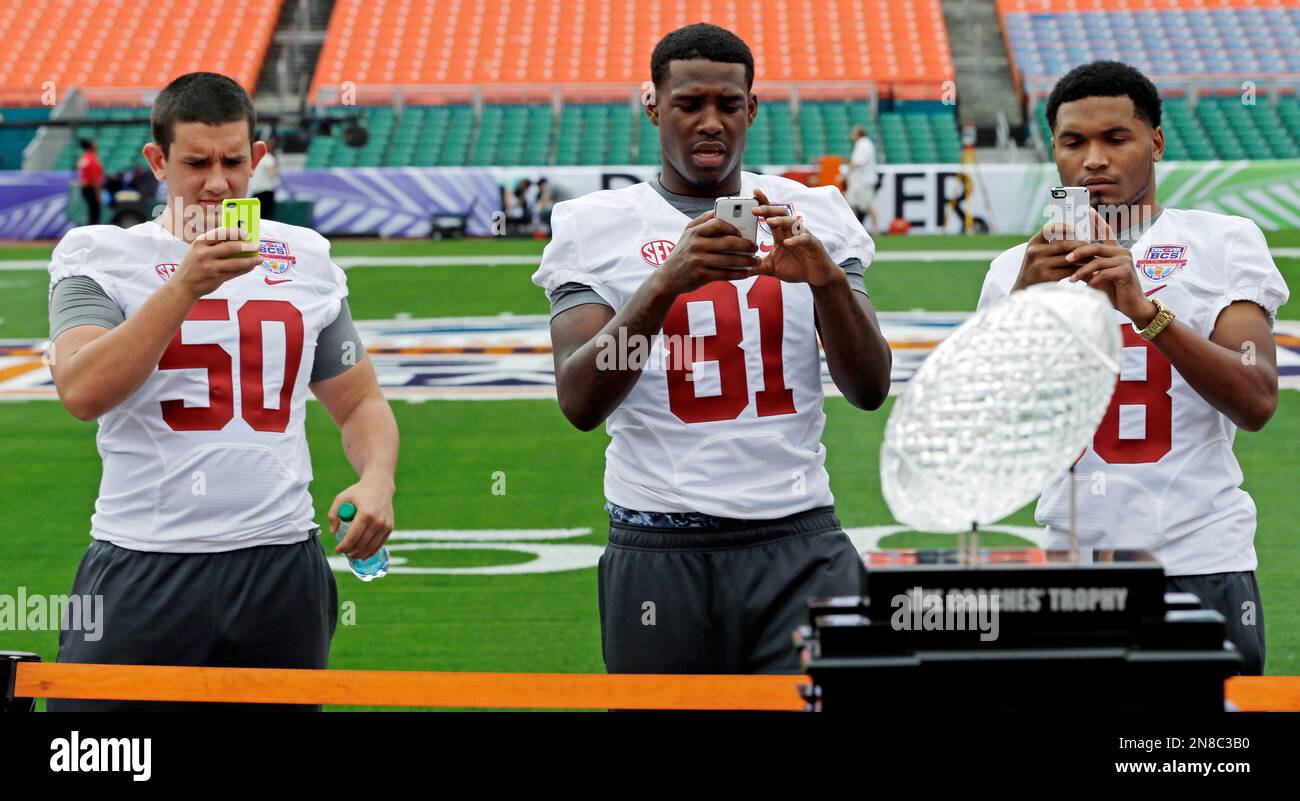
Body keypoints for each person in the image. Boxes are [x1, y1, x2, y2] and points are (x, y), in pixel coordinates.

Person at [533, 23, 892, 674]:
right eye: (688, 104)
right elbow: (580, 399)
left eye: (728, 105)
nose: (710, 123)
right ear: (652, 106)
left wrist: (828, 280)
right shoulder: (593, 225)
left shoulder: (814, 209)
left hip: (798, 536)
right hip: (658, 544)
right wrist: (666, 282)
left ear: (752, 109)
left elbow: (869, 388)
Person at [44, 72, 400, 710]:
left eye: (234, 161)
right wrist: (184, 286)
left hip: (279, 564)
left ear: (258, 159)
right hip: (144, 557)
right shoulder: (100, 253)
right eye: (196, 162)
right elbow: (81, 390)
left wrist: (377, 478)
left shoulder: (305, 257)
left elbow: (359, 401)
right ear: (158, 161)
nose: (216, 181)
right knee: (104, 754)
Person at [977, 61, 1289, 675]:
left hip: (1196, 560)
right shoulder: (1016, 267)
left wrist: (1145, 310)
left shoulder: (1222, 241)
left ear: (1155, 142)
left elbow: (1256, 399)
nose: (1093, 159)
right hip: (1070, 566)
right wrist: (1022, 304)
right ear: (1056, 154)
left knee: (1200, 761)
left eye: (1115, 138)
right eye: (1074, 142)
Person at [846, 124, 877, 232]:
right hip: (858, 181)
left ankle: (875, 229)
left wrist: (845, 174)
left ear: (857, 134)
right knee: (853, 205)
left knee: (868, 205)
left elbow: (858, 162)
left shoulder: (864, 144)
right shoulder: (862, 144)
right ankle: (854, 230)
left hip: (864, 181)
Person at [247, 133, 280, 218]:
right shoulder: (269, 158)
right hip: (265, 191)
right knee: (266, 216)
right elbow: (273, 173)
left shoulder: (253, 157)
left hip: (257, 191)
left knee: (257, 216)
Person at [77, 138, 104, 225]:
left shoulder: (84, 157)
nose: (97, 145)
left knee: (91, 212)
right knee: (95, 213)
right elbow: (94, 177)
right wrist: (98, 193)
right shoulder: (93, 158)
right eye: (94, 144)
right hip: (92, 188)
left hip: (85, 188)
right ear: (91, 146)